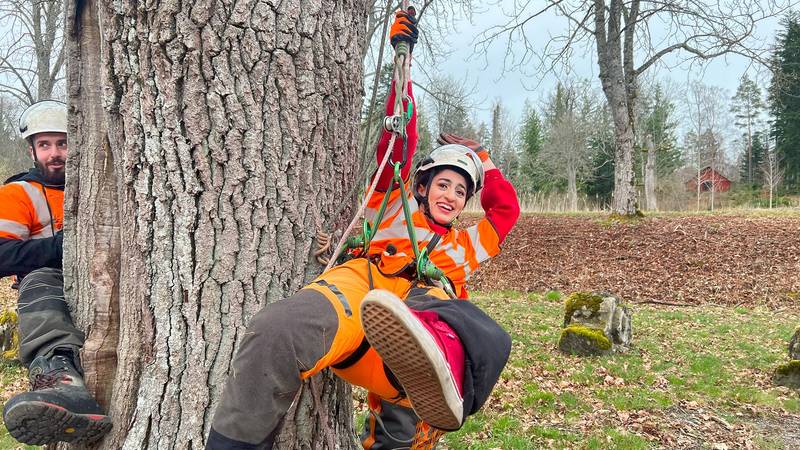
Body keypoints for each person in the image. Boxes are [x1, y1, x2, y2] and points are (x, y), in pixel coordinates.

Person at [206, 8, 520, 450]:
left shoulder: (468, 242)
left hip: (411, 349)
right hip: (361, 299)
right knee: (275, 331)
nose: (450, 195)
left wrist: (482, 156)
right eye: (442, 184)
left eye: (460, 190)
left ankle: (433, 373)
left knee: (468, 328)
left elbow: (506, 210)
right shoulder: (391, 204)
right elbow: (400, 137)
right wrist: (401, 61)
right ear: (423, 186)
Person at [1, 100, 112, 446]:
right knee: (38, 279)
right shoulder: (18, 192)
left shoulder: (106, 184)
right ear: (33, 150)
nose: (55, 153)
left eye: (62, 143)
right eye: (45, 144)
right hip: (49, 291)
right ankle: (57, 374)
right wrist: (65, 246)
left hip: (108, 282)